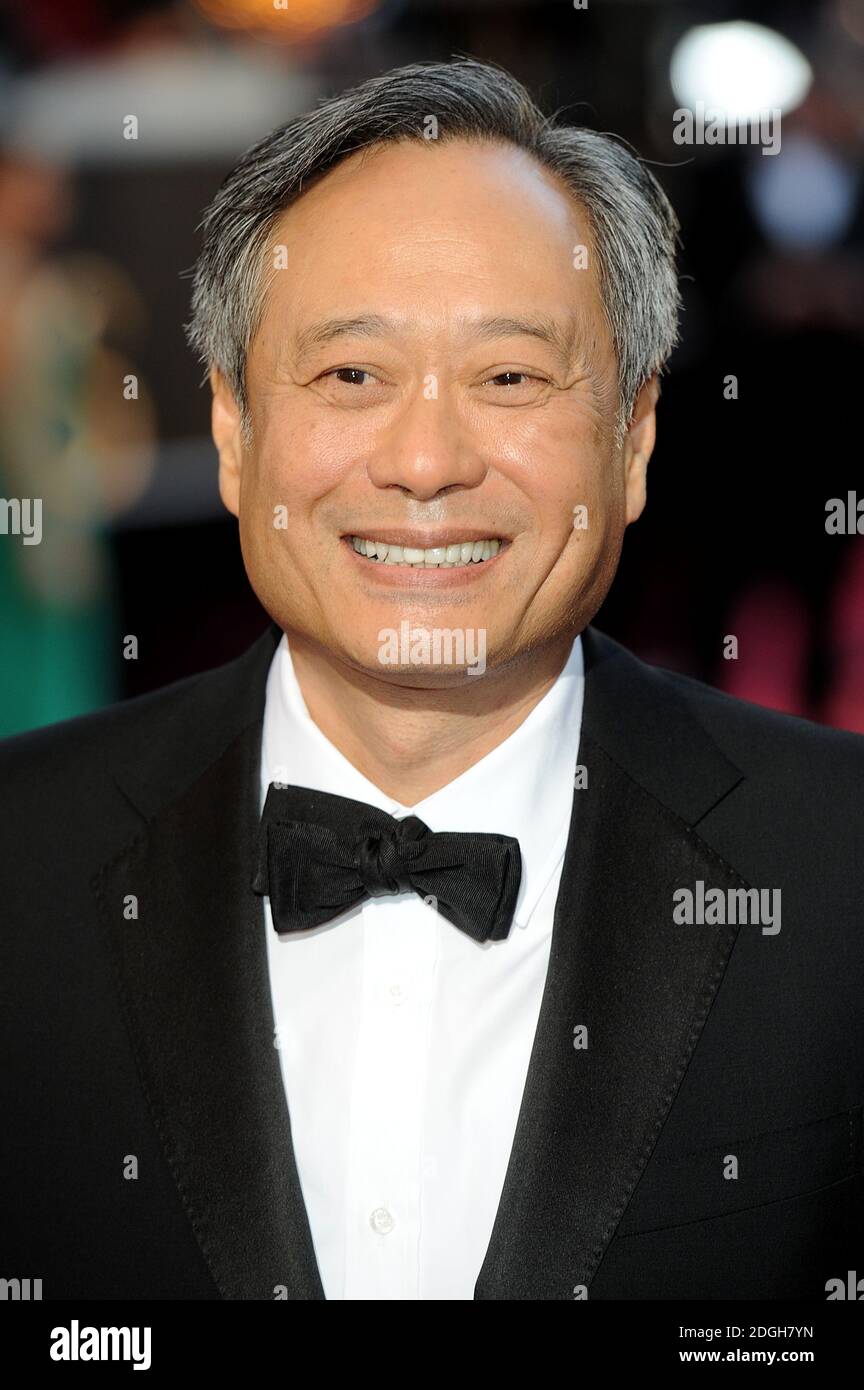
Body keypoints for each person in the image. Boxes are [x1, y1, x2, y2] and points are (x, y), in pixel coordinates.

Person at [1, 58, 861, 1302]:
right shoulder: (23, 857)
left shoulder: (839, 868)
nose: (424, 460)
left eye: (510, 377)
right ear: (235, 433)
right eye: (352, 374)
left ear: (634, 440)